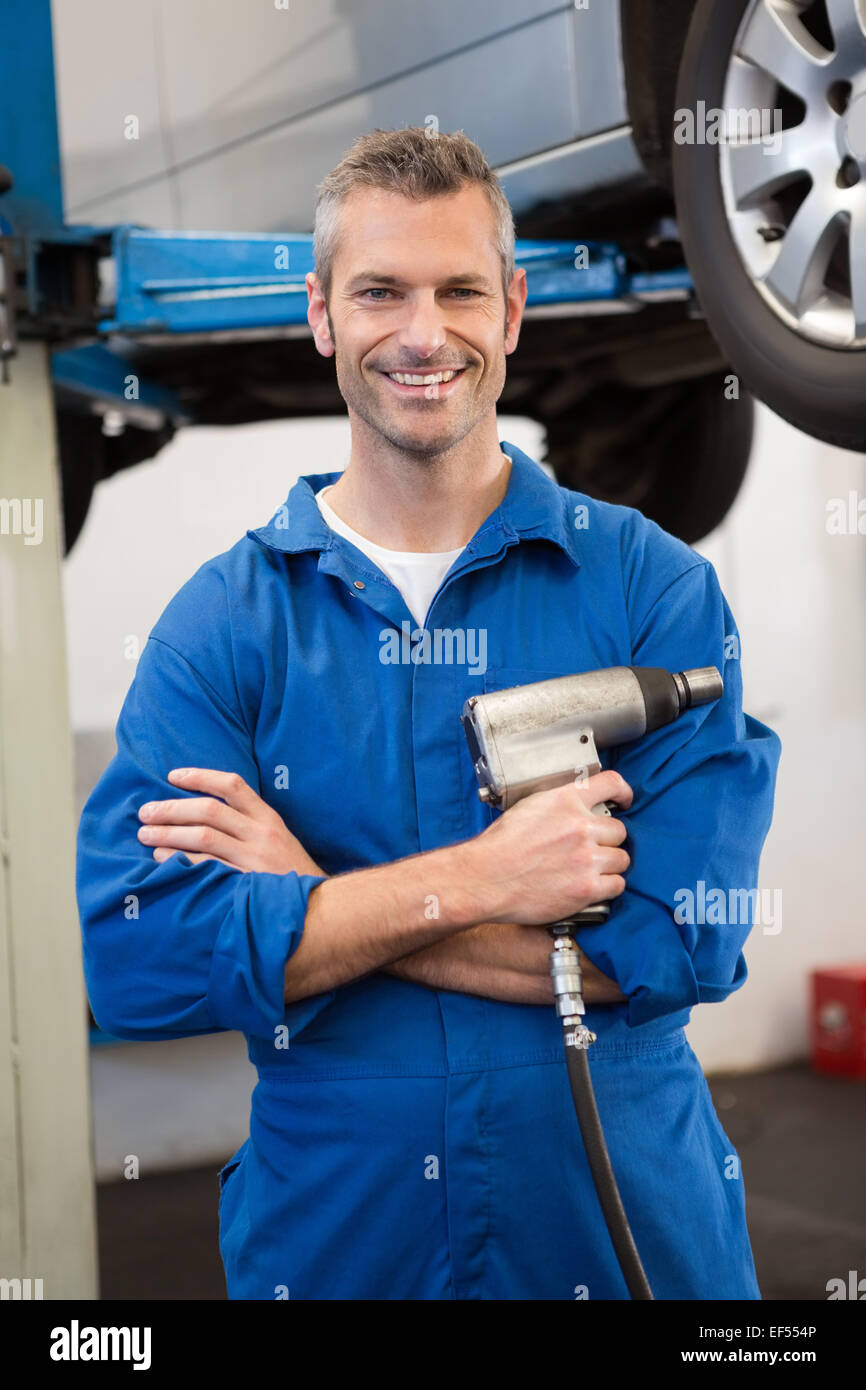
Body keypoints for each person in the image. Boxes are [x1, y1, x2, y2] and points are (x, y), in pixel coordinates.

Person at [76, 127, 781, 1301]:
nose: (421, 333)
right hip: (342, 1247)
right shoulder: (225, 625)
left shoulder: (650, 589)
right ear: (320, 315)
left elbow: (677, 947)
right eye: (379, 292)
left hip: (622, 1245)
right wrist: (490, 881)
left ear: (509, 310)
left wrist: (311, 901)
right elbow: (139, 960)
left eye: (458, 289)